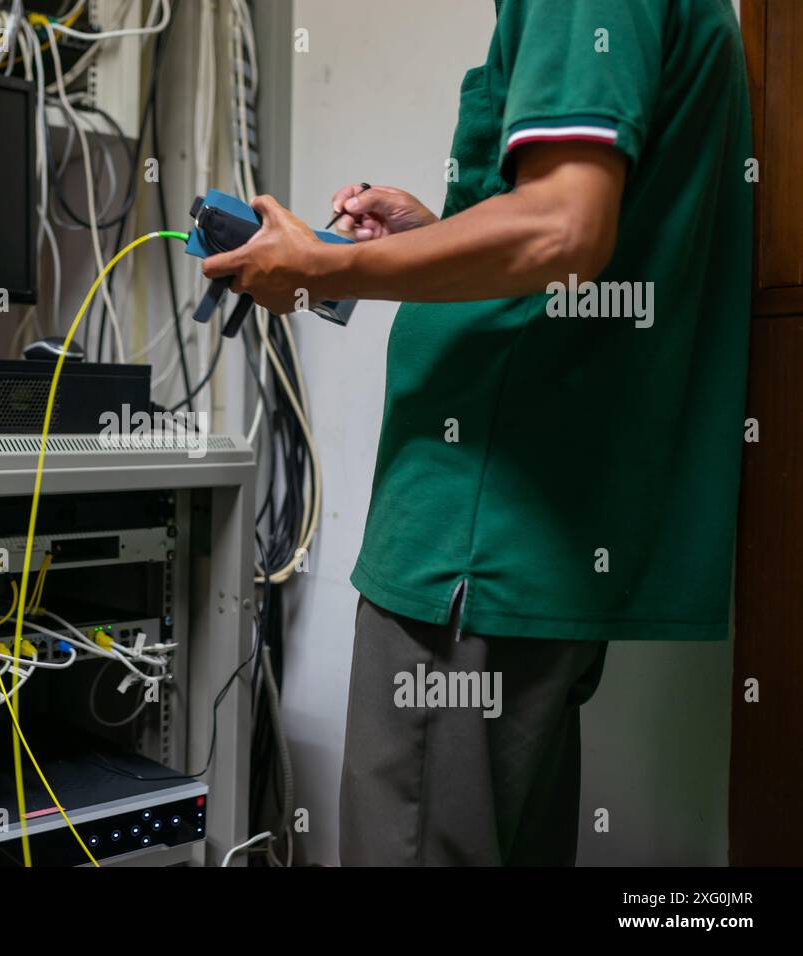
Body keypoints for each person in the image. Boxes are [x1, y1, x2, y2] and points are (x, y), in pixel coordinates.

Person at [202, 0, 751, 865]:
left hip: (476, 530)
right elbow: (566, 222)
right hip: (533, 528)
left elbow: (565, 226)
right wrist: (445, 232)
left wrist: (328, 267)